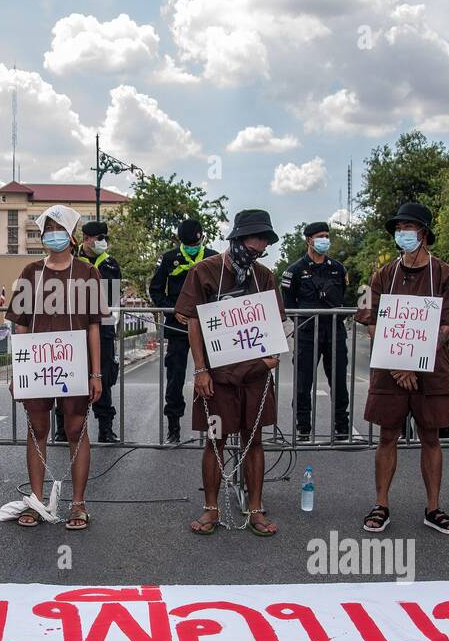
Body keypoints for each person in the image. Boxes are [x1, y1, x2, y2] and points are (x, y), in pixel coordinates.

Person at [354, 202, 449, 537]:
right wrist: (398, 363)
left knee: (431, 437)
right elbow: (370, 322)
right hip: (389, 371)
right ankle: (381, 504)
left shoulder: (448, 276)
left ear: (424, 233)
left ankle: (433, 508)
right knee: (387, 435)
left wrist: (416, 363)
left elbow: (448, 327)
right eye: (398, 228)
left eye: (408, 228)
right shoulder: (380, 275)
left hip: (431, 371)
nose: (402, 233)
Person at [179, 209, 286, 538]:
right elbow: (193, 322)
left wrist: (269, 360)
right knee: (215, 440)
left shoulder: (264, 277)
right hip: (217, 378)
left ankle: (255, 507)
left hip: (255, 377)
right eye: (257, 239)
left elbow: (275, 325)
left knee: (255, 441)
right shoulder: (204, 271)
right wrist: (200, 370)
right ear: (239, 238)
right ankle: (211, 507)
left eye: (265, 241)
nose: (261, 246)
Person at [5, 204, 103, 530]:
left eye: (60, 230)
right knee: (38, 430)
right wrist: (17, 371)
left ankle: (78, 504)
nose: (53, 235)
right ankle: (35, 500)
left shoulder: (88, 273)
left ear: (72, 235)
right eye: (48, 230)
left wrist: (96, 373)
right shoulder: (30, 272)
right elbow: (20, 325)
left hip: (75, 366)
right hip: (37, 366)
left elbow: (94, 326)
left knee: (76, 429)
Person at [280, 221, 350, 440]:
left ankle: (342, 428)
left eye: (327, 236)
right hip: (307, 333)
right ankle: (303, 428)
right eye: (320, 236)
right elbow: (288, 305)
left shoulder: (338, 268)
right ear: (309, 240)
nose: (324, 240)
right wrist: (303, 324)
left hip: (334, 332)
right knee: (303, 384)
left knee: (339, 382)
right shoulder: (294, 271)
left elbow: (343, 297)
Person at [55, 220, 121, 443]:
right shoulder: (71, 261)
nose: (103, 242)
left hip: (102, 328)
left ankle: (105, 428)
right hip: (74, 327)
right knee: (67, 375)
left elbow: (112, 299)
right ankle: (63, 428)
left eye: (105, 238)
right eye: (99, 238)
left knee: (103, 376)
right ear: (86, 239)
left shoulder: (110, 264)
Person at [149, 219, 211, 443]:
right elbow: (156, 290)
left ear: (202, 238)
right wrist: (173, 310)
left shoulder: (213, 258)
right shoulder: (169, 258)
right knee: (175, 379)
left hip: (208, 328)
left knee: (212, 376)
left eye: (195, 244)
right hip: (178, 326)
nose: (192, 248)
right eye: (188, 244)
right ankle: (173, 426)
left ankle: (214, 427)